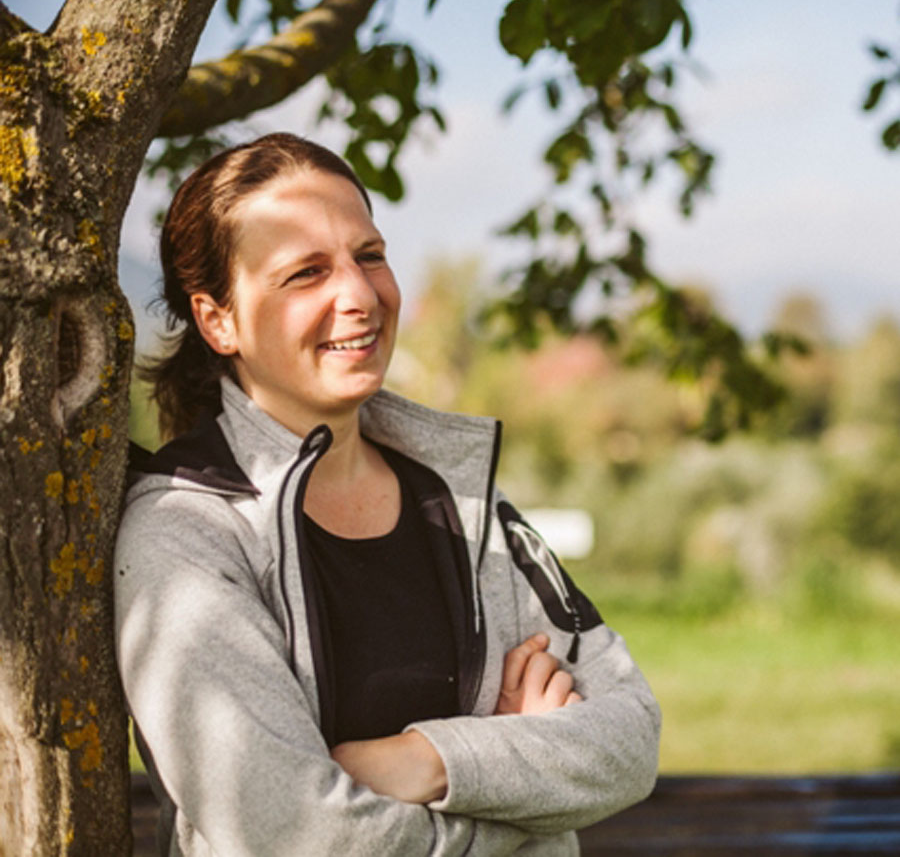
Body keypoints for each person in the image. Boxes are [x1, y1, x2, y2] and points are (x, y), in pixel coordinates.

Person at [114, 133, 661, 856]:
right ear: (219, 320)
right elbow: (295, 832)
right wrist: (527, 799)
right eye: (306, 273)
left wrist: (428, 761)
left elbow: (630, 737)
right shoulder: (186, 529)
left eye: (369, 255)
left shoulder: (461, 501)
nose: (360, 294)